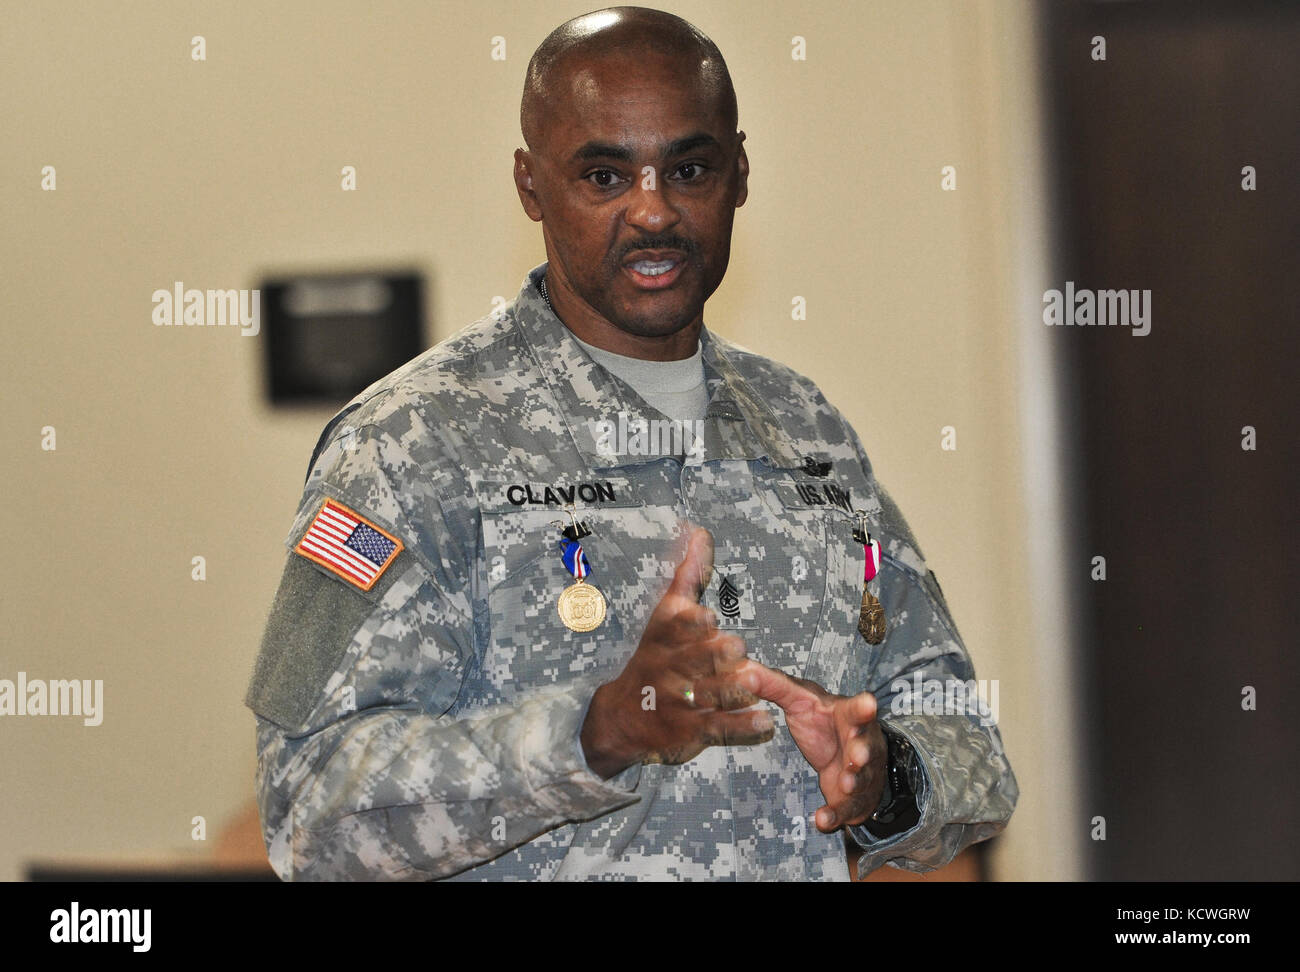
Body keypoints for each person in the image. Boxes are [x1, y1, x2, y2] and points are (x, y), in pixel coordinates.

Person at [244, 5, 1017, 881]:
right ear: (531, 187)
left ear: (739, 176)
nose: (653, 212)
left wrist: (887, 778)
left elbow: (969, 741)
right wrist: (595, 733)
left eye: (688, 168)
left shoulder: (806, 430)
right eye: (605, 177)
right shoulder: (410, 442)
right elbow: (307, 811)